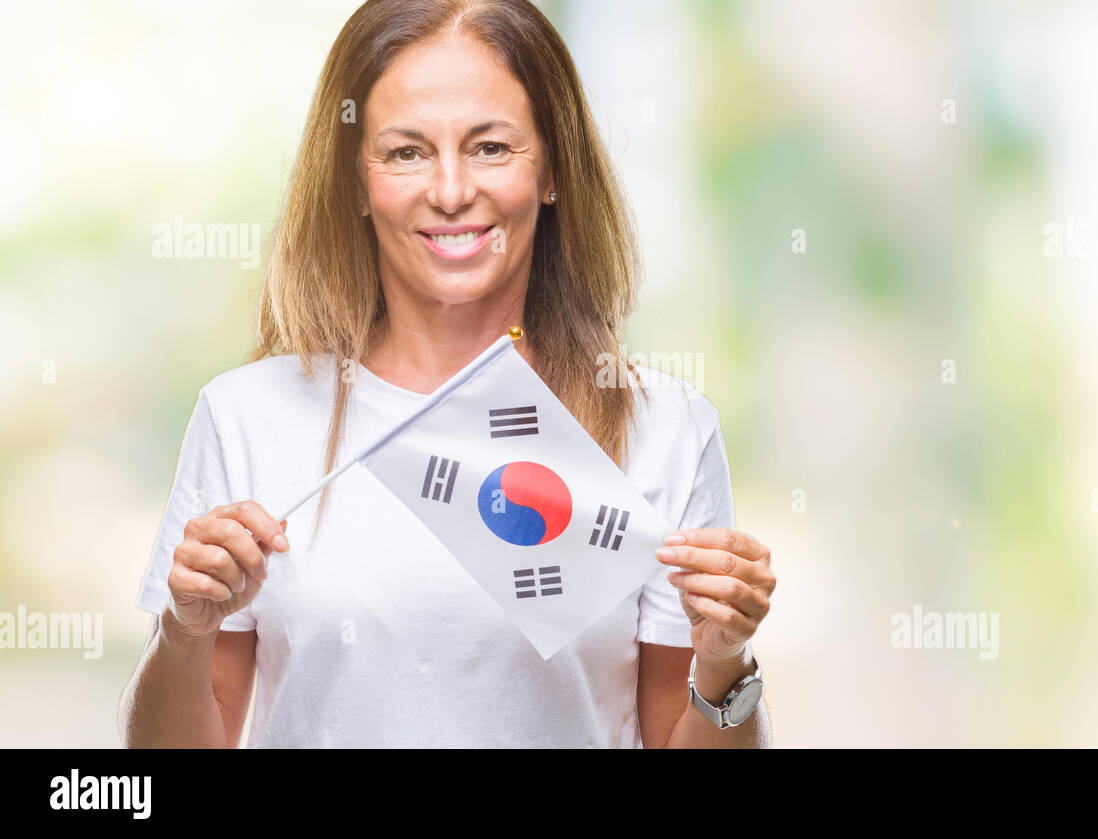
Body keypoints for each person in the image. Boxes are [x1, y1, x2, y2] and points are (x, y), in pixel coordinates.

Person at [118, 0, 775, 748]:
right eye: (406, 152)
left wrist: (725, 659)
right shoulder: (249, 418)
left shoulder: (663, 430)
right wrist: (184, 628)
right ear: (356, 180)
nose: (453, 189)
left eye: (491, 147)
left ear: (553, 169)